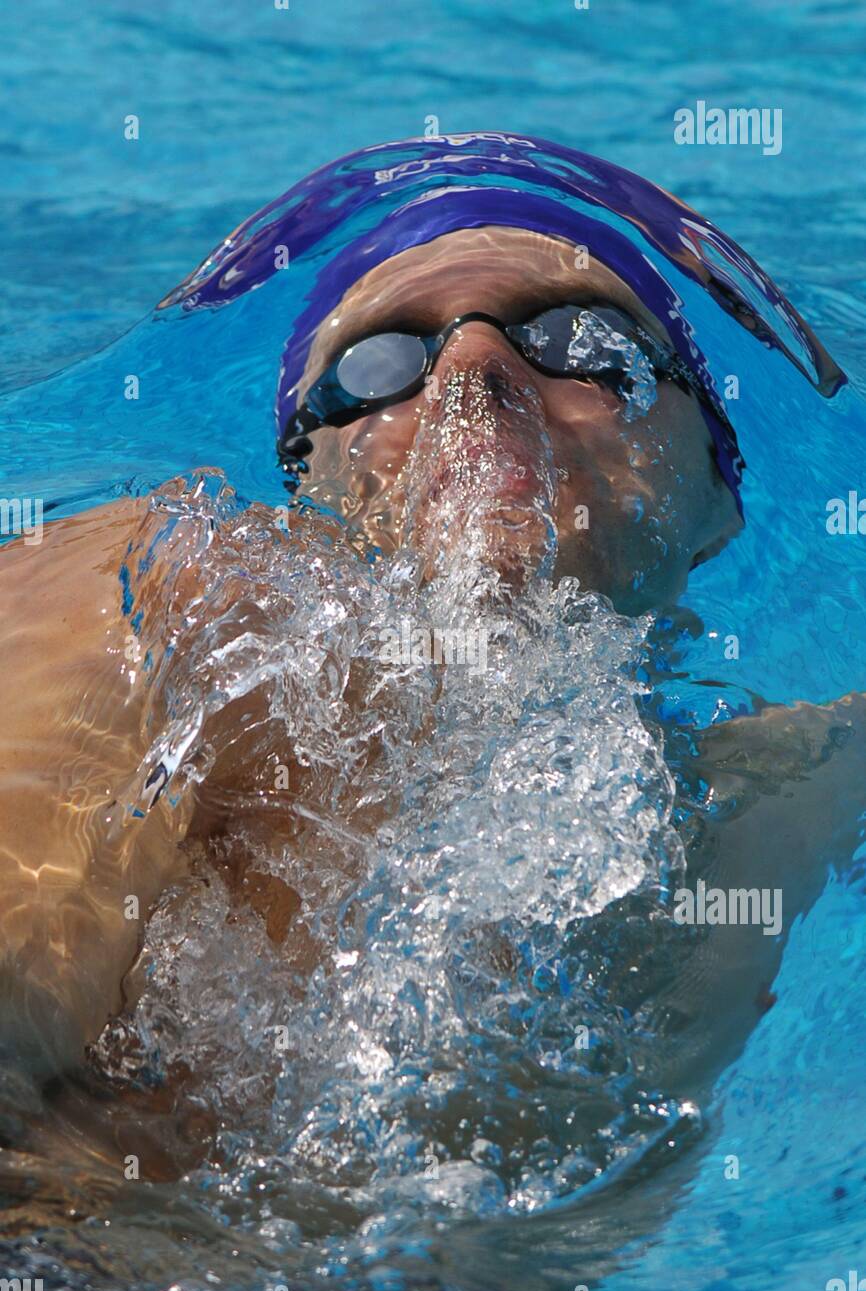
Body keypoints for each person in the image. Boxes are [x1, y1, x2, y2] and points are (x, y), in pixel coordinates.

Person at [0, 140, 862, 1113]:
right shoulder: (177, 589)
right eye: (378, 368)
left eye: (581, 341)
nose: (473, 368)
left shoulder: (788, 782)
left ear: (718, 493)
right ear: (313, 481)